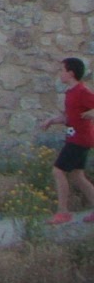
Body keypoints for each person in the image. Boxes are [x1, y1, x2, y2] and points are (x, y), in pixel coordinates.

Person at [40, 56, 94, 224]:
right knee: (78, 176)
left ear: (70, 73)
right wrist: (51, 121)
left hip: (80, 138)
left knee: (58, 171)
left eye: (62, 70)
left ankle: (63, 212)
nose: (60, 74)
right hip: (76, 137)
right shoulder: (70, 92)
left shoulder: (82, 91)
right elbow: (68, 117)